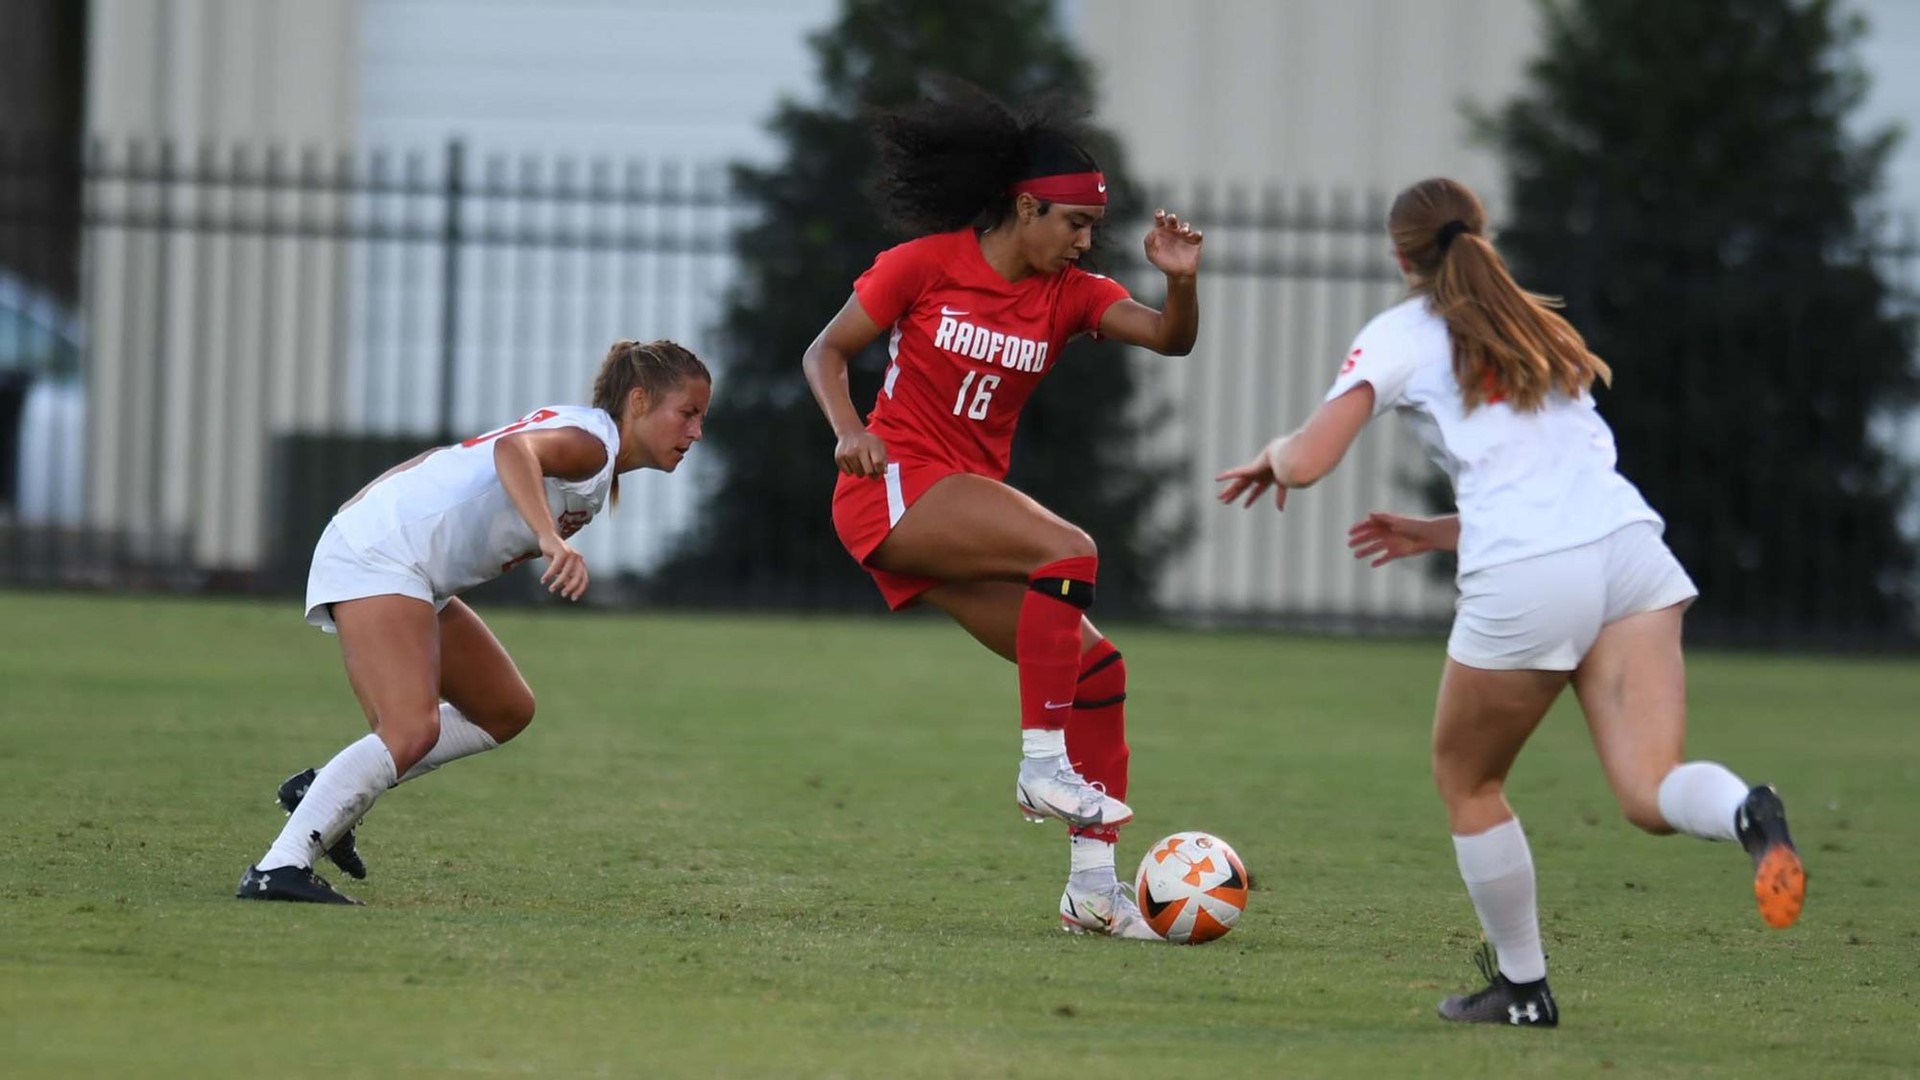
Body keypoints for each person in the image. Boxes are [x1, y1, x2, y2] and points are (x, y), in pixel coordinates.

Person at [1216, 177, 1805, 1024]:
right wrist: (1440, 529)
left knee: (1470, 779)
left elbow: (1308, 461)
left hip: (1534, 574)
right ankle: (1748, 810)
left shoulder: (1401, 333)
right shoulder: (1536, 322)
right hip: (1630, 552)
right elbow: (1544, 480)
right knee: (1649, 789)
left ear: (1399, 256)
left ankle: (1525, 990)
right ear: (1478, 233)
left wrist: (1274, 452)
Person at [801, 81, 1203, 940]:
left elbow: (1171, 339)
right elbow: (826, 350)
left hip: (957, 510)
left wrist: (1182, 286)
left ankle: (1093, 889)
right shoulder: (925, 263)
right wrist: (847, 430)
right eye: (1074, 224)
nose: (1087, 241)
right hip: (893, 490)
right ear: (1025, 207)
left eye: (1093, 228)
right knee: (1071, 547)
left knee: (1100, 677)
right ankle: (1039, 768)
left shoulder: (1072, 295)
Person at [237, 339, 711, 904]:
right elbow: (512, 451)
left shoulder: (595, 446)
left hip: (406, 563)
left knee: (505, 708)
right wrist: (548, 536)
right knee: (410, 730)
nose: (696, 432)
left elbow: (448, 459)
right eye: (687, 413)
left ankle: (323, 790)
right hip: (383, 554)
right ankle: (278, 868)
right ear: (638, 401)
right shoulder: (591, 444)